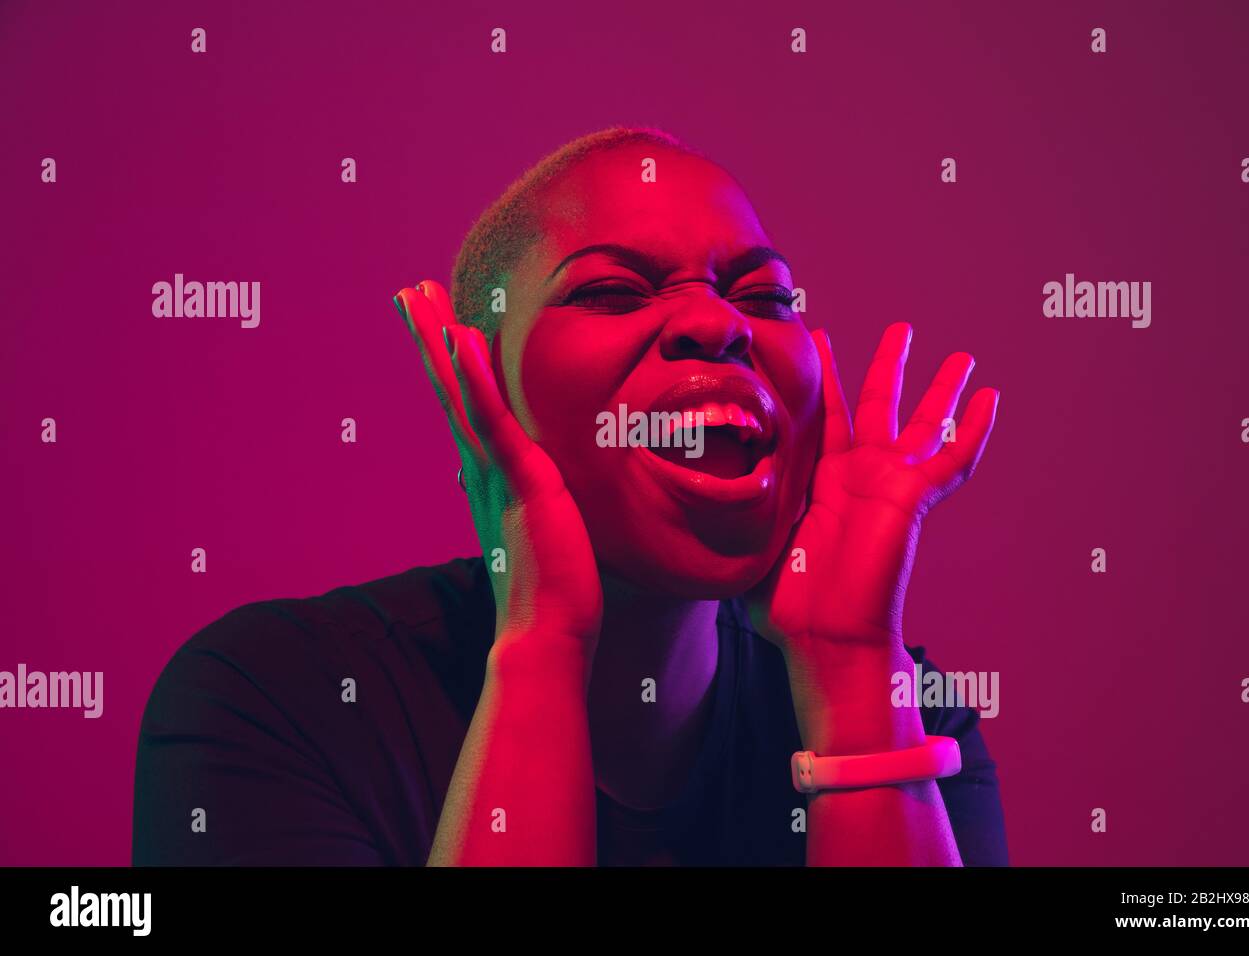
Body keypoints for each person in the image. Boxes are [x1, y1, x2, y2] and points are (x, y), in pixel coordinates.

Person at [132, 126, 1007, 866]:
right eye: (613, 290)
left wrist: (853, 669)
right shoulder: (272, 698)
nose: (720, 322)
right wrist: (544, 641)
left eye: (764, 294)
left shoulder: (905, 705)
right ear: (478, 387)